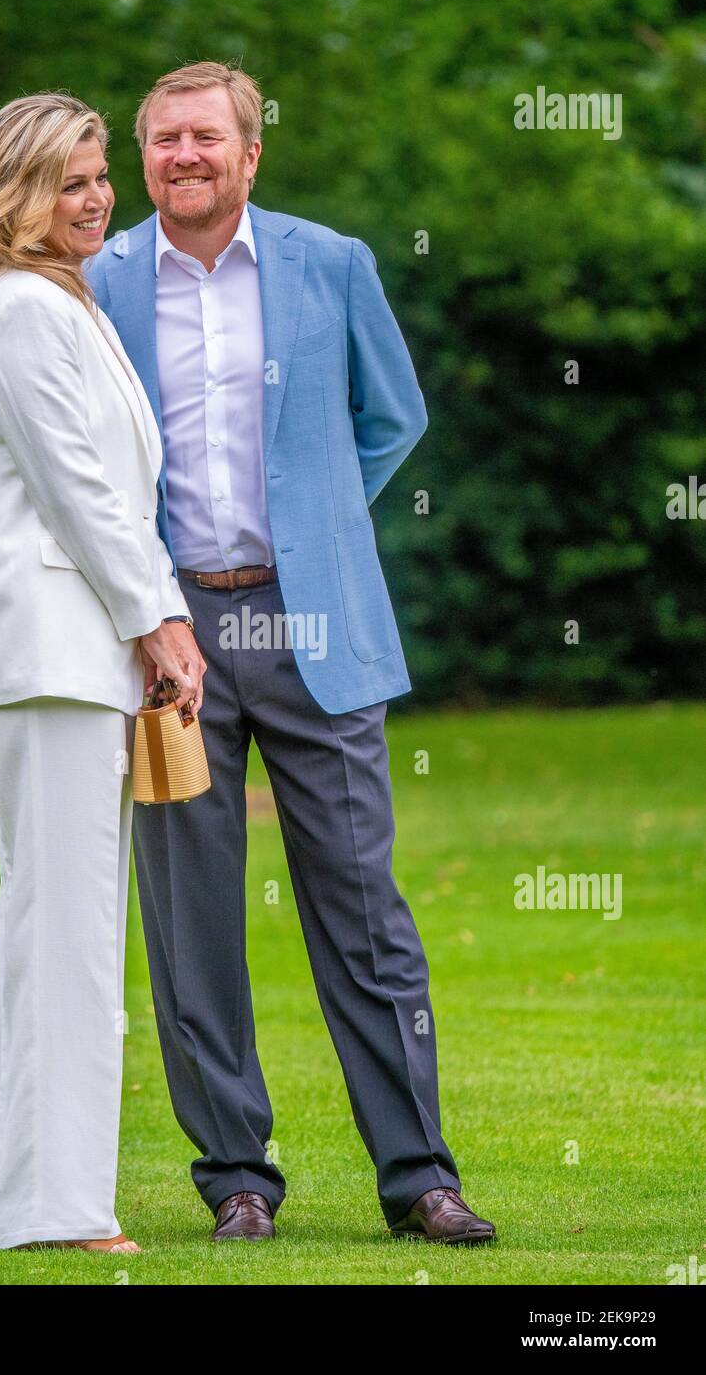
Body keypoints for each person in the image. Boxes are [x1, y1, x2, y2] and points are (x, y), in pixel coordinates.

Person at [87, 61, 496, 1244]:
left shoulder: (332, 264)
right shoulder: (101, 280)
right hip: (166, 635)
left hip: (314, 624)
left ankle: (419, 1174)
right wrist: (150, 603)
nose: (184, 157)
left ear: (248, 153)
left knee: (363, 907)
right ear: (144, 154)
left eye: (205, 137)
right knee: (189, 916)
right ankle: (236, 1179)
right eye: (163, 140)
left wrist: (317, 530)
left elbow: (393, 416)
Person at [0, 91, 205, 1254]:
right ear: (14, 190)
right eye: (68, 179)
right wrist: (162, 621)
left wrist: (145, 621)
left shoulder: (54, 299)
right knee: (71, 931)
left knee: (46, 922)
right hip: (54, 648)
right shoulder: (24, 310)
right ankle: (58, 1210)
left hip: (63, 648)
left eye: (100, 177)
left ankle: (15, 1197)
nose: (94, 198)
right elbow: (84, 496)